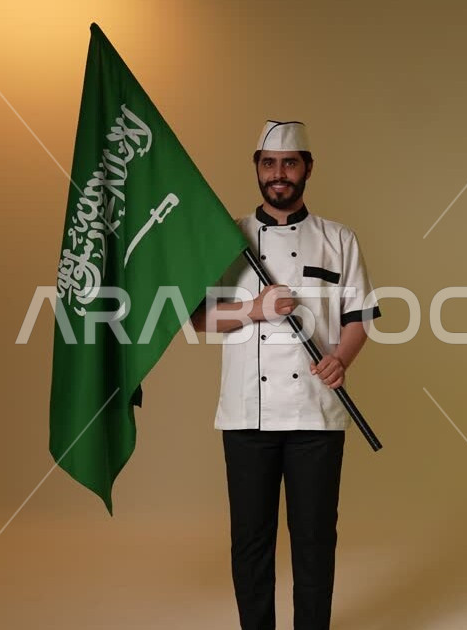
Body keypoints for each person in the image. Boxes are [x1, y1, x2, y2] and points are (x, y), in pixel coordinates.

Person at [191, 120, 382, 630]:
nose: (280, 174)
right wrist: (254, 308)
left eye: (290, 163)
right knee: (251, 540)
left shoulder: (338, 239)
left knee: (316, 539)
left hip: (317, 413)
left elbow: (359, 319)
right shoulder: (225, 238)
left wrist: (342, 358)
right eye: (270, 163)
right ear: (257, 167)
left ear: (307, 169)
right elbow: (199, 319)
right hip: (245, 414)